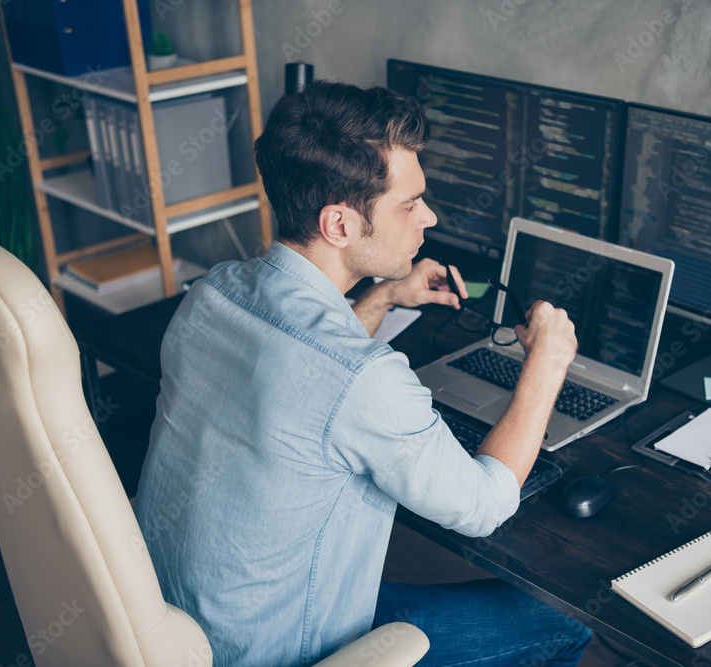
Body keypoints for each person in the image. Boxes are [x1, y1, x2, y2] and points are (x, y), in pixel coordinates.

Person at [134, 80, 591, 667]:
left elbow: (302, 368)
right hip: (286, 649)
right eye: (408, 204)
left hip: (185, 625)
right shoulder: (363, 378)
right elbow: (483, 505)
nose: (429, 217)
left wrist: (382, 296)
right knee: (562, 620)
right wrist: (547, 364)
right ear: (340, 225)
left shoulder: (213, 293)